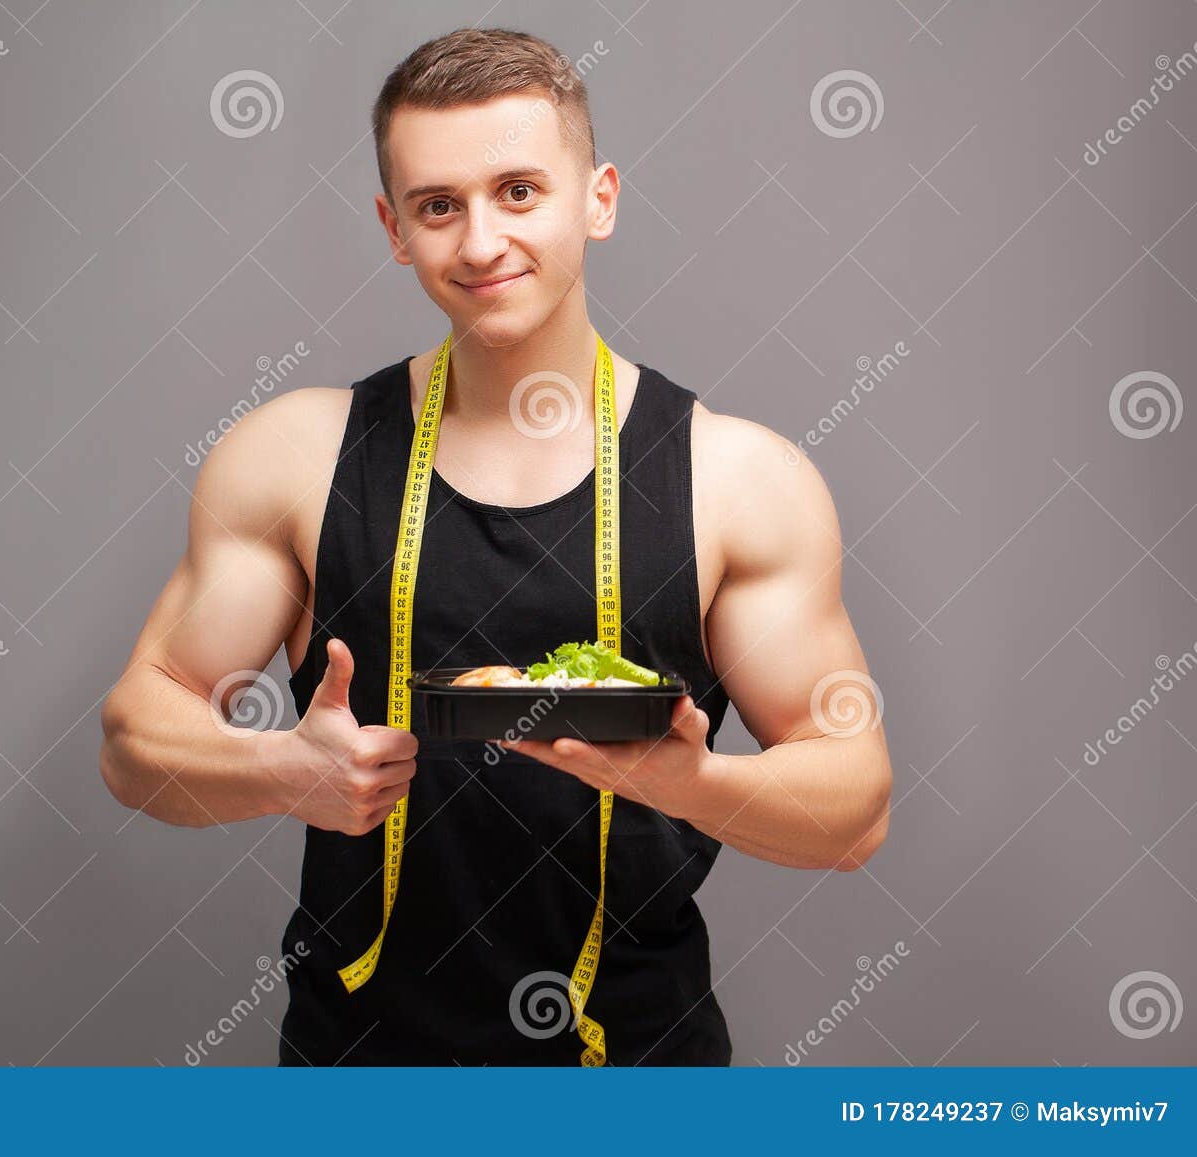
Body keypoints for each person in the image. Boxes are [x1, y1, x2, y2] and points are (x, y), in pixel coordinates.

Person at [99, 27, 893, 1066]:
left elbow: (855, 808)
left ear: (598, 199)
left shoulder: (739, 480)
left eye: (518, 192)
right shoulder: (293, 457)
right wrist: (282, 769)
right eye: (439, 205)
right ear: (394, 228)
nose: (480, 243)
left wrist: (688, 784)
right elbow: (132, 740)